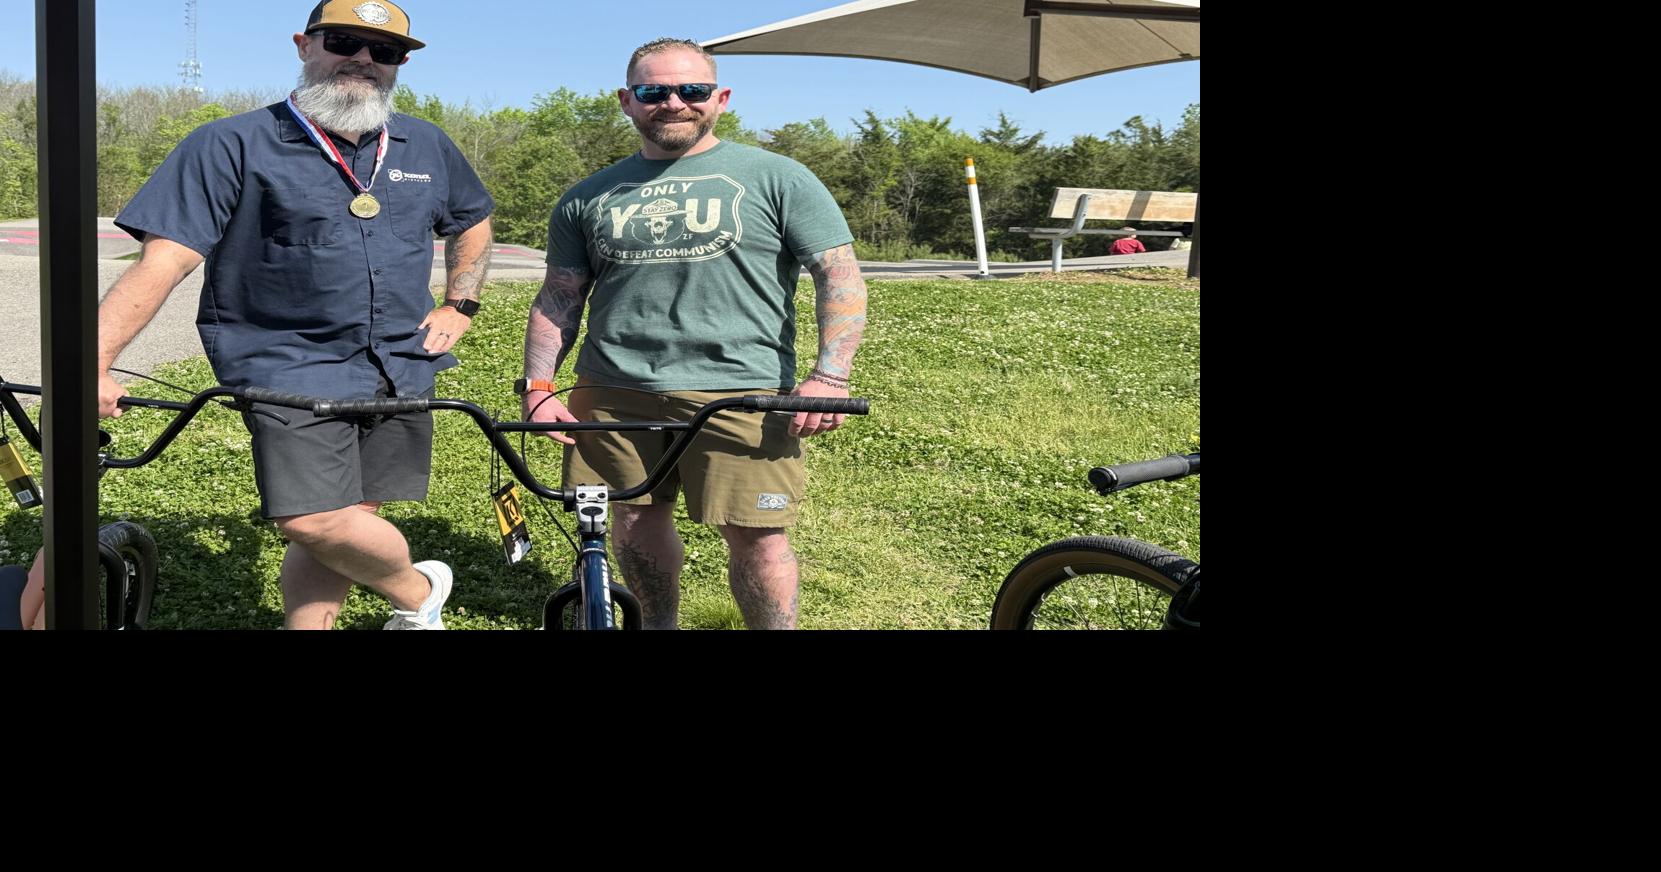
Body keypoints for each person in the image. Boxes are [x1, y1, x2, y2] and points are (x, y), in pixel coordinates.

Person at [16, 0, 496, 630]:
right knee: (312, 518)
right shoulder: (230, 143)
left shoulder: (426, 143)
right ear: (304, 44)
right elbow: (165, 260)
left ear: (400, 63)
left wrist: (460, 303)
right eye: (344, 42)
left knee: (352, 515)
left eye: (385, 51)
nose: (363, 60)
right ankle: (419, 593)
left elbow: (472, 220)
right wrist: (94, 363)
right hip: (288, 367)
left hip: (400, 362)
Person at [521, 37, 869, 630]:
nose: (674, 103)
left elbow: (839, 276)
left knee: (757, 535)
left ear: (721, 98)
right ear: (627, 101)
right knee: (632, 521)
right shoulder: (588, 196)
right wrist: (538, 386)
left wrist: (829, 377)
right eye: (654, 91)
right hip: (612, 391)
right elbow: (559, 296)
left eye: (692, 90)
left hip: (742, 390)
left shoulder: (778, 177)